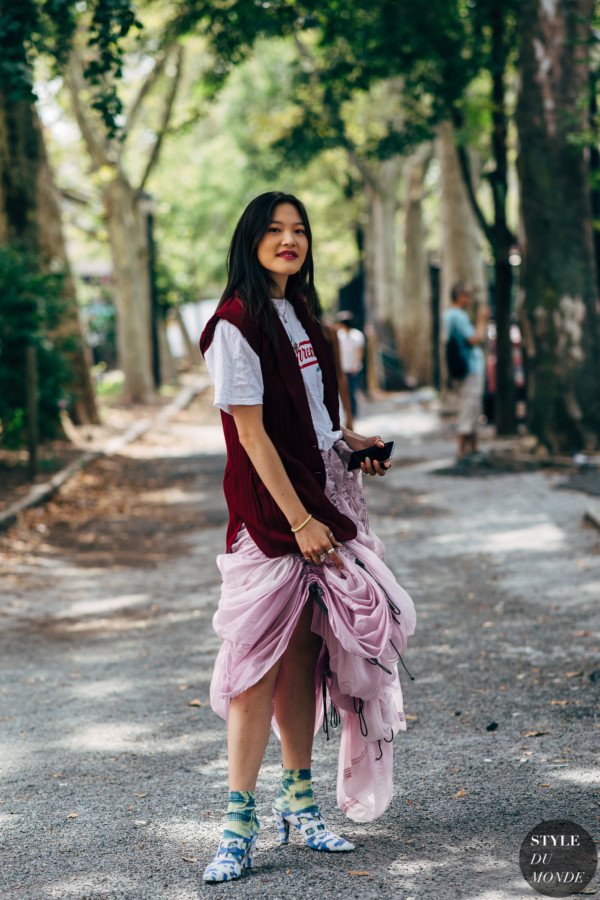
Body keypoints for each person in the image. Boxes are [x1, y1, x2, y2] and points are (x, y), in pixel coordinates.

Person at [199, 191, 416, 883]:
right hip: (274, 518)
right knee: (253, 665)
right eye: (274, 230)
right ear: (250, 240)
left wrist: (359, 446)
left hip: (326, 502)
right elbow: (252, 436)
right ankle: (238, 823)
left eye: (299, 231)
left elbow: (325, 425)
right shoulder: (234, 323)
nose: (289, 240)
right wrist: (299, 521)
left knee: (302, 658)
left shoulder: (311, 325)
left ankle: (299, 802)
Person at [443, 283, 488, 462]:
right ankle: (463, 450)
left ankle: (472, 447)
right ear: (460, 296)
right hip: (470, 367)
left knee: (472, 405)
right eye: (467, 295)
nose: (469, 300)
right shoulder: (458, 316)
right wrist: (482, 321)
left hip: (461, 368)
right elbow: (473, 339)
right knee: (470, 406)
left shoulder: (447, 315)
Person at [335, 311, 365, 419]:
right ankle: (344, 413)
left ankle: (353, 413)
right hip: (341, 368)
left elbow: (359, 351)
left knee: (352, 391)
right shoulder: (339, 335)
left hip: (352, 369)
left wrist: (356, 365)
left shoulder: (357, 335)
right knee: (341, 392)